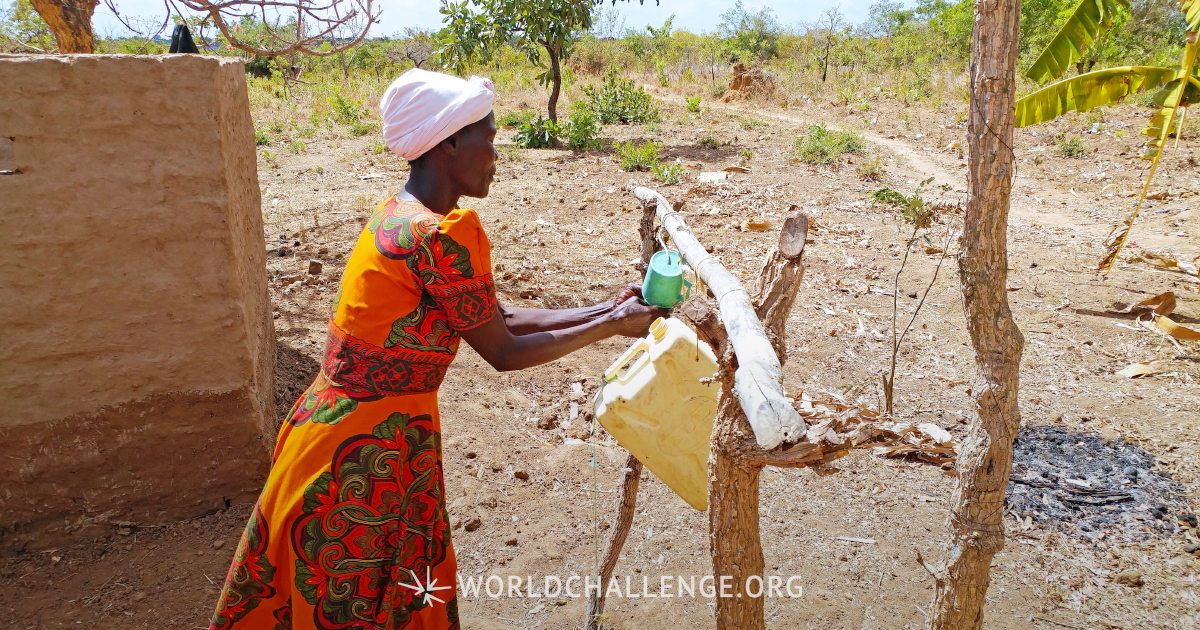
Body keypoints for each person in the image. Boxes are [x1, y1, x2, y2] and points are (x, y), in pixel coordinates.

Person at [209, 68, 666, 630]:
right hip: (361, 455)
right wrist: (613, 324)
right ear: (449, 143)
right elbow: (501, 348)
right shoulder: (437, 238)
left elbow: (494, 318)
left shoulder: (400, 217)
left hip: (342, 433)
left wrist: (607, 311)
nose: (497, 154)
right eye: (490, 138)